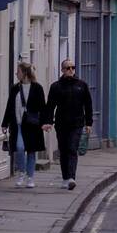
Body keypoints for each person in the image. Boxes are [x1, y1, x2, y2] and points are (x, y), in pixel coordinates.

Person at [44, 57, 93, 190]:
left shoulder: (82, 85)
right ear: (62, 70)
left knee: (72, 148)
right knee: (64, 150)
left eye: (73, 68)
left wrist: (89, 123)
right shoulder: (56, 87)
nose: (71, 70)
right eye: (68, 68)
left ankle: (71, 177)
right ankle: (65, 178)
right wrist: (48, 122)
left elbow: (88, 105)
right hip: (61, 123)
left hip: (77, 123)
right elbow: (50, 106)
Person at [1, 62, 46, 189]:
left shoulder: (37, 88)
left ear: (25, 73)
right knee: (19, 149)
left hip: (32, 125)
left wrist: (45, 123)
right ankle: (21, 173)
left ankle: (30, 178)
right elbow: (9, 106)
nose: (16, 74)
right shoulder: (15, 88)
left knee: (31, 151)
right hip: (17, 124)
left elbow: (43, 107)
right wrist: (5, 123)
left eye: (18, 72)